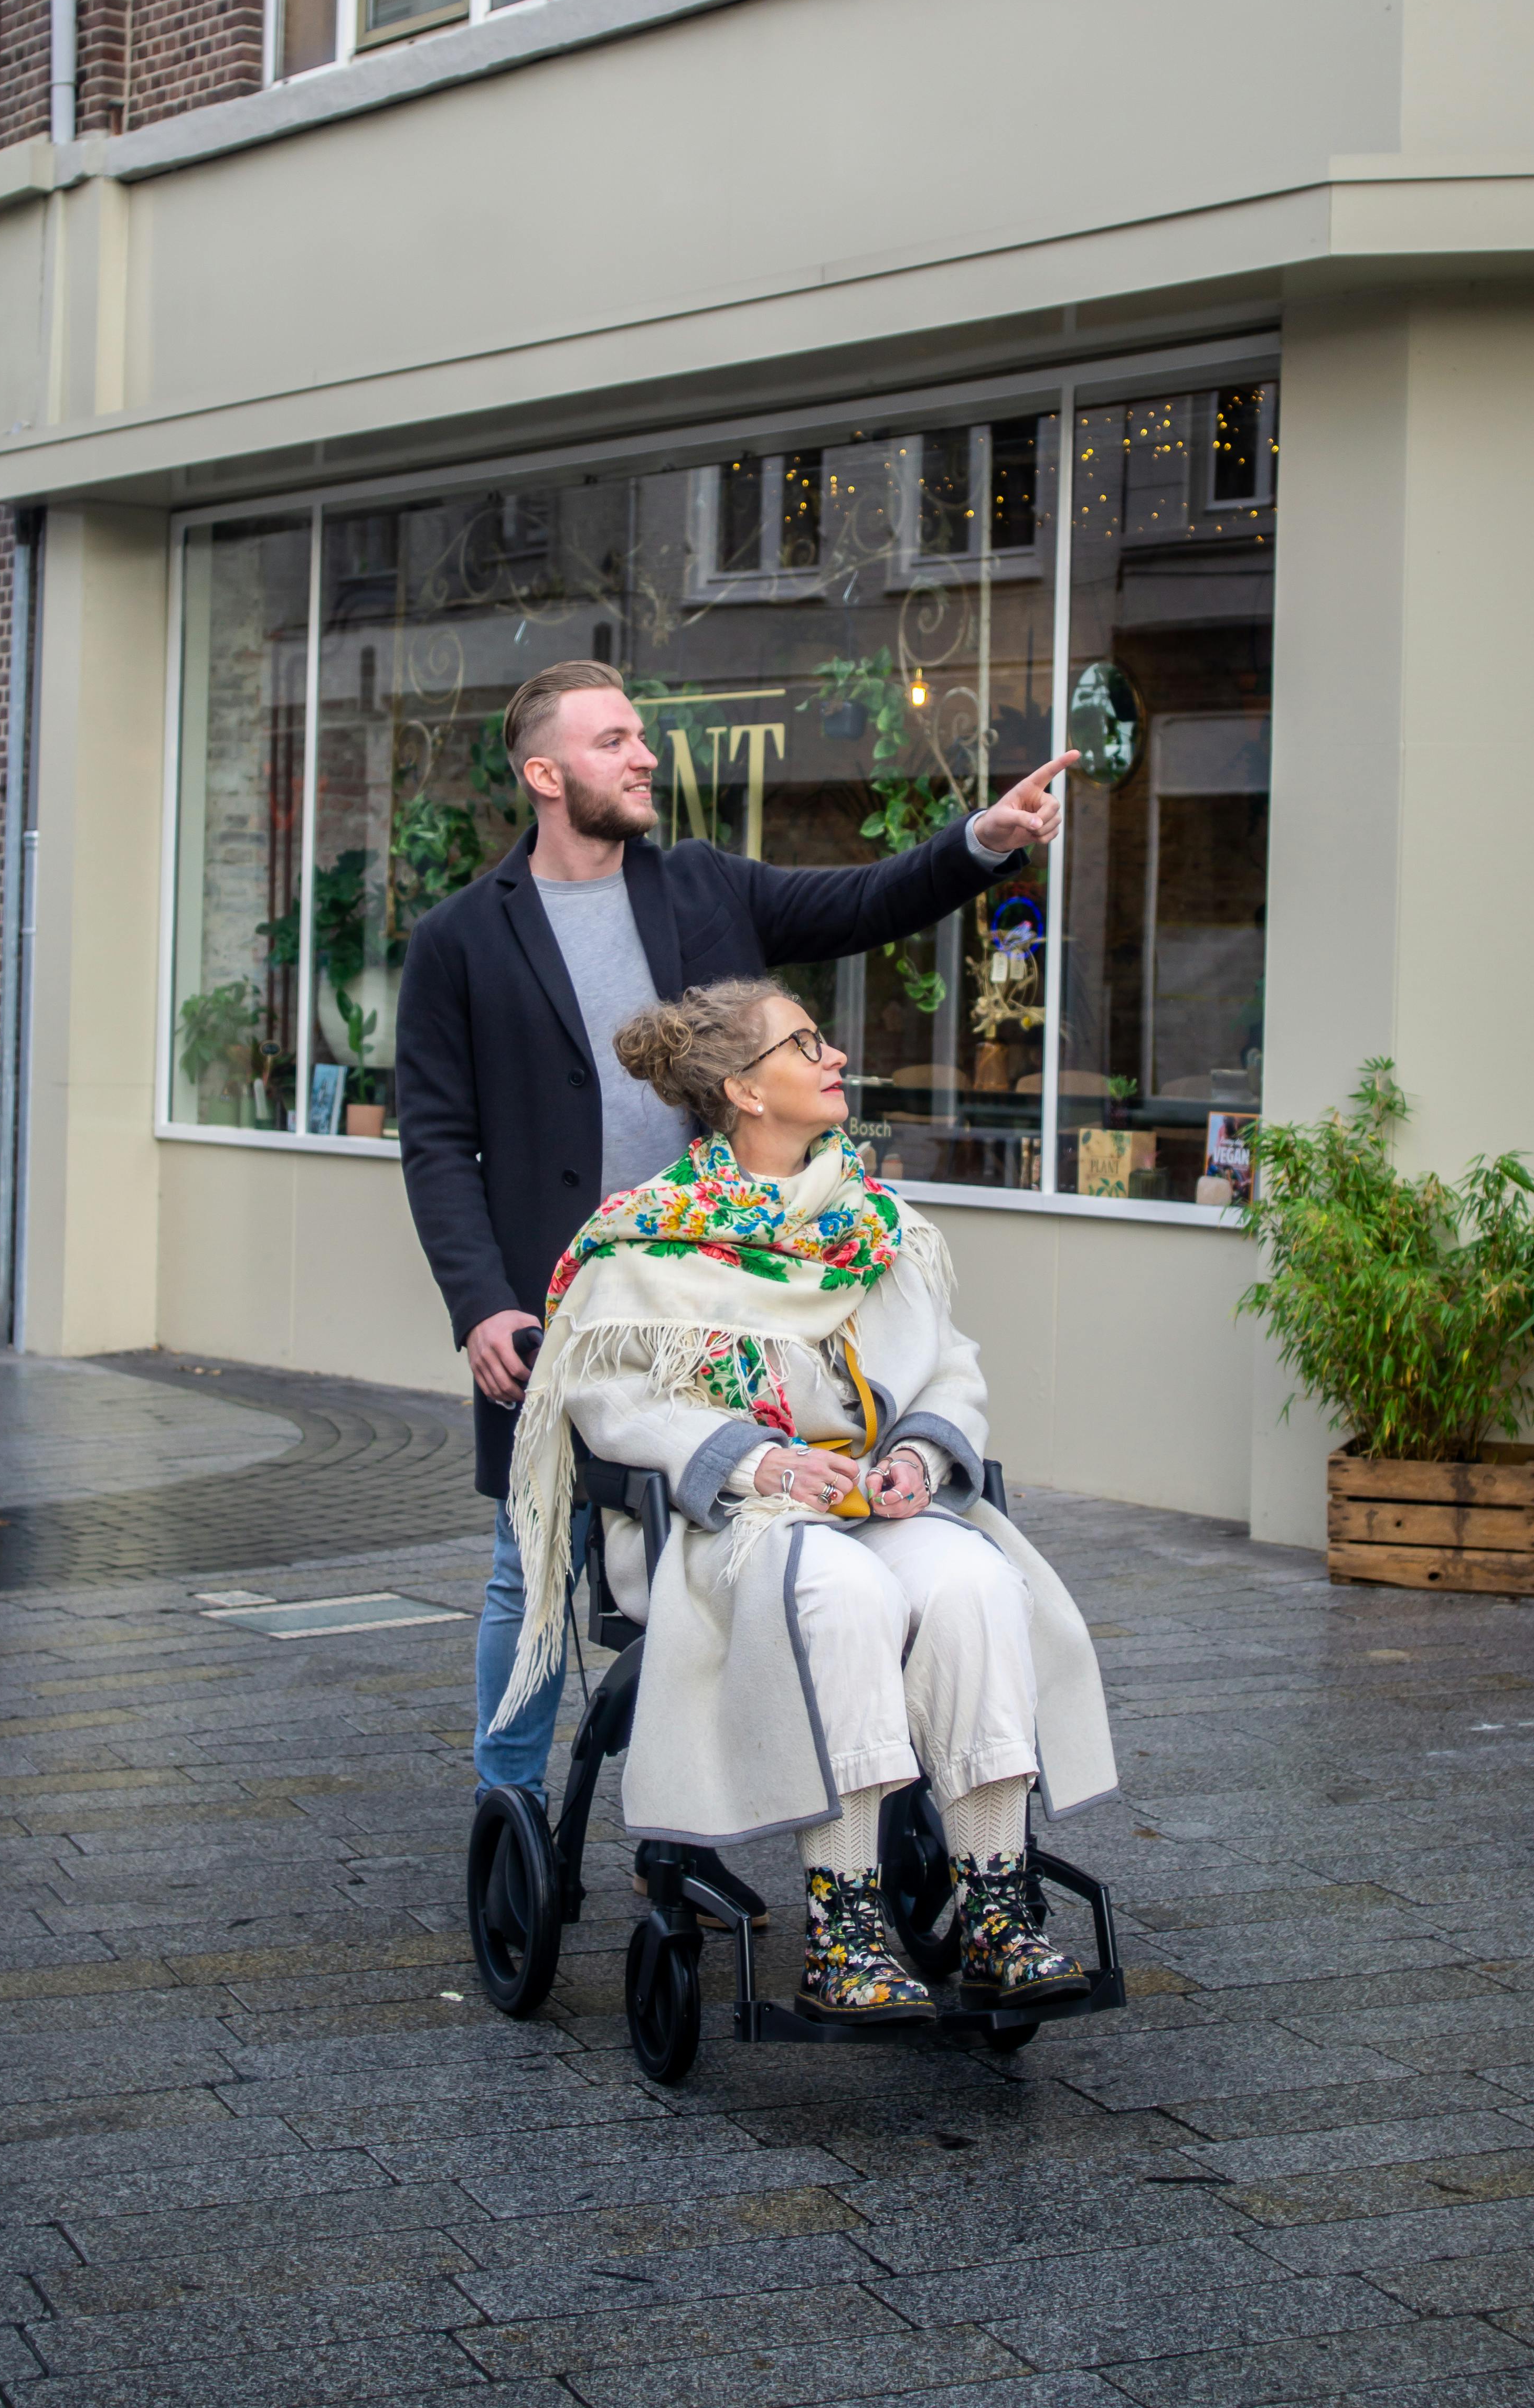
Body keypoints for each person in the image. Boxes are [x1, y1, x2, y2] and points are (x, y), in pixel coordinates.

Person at [393, 657, 1074, 1823]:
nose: (644, 756)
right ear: (545, 773)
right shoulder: (460, 938)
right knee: (537, 1562)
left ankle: (735, 1772)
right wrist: (480, 1304)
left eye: (640, 736)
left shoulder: (700, 885)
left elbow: (862, 903)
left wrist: (981, 841)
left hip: (736, 1296)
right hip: (568, 1311)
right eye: (613, 741)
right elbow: (435, 1140)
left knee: (733, 1541)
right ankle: (503, 1799)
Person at [497, 977, 1118, 2015]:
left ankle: (996, 1909)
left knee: (972, 1578)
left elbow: (951, 1370)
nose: (834, 1058)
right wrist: (759, 1462)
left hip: (866, 1506)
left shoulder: (876, 1225)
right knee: (842, 1591)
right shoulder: (648, 1235)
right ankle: (846, 1927)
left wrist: (916, 1460)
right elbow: (608, 1403)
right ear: (744, 1090)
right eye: (804, 1044)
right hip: (724, 1525)